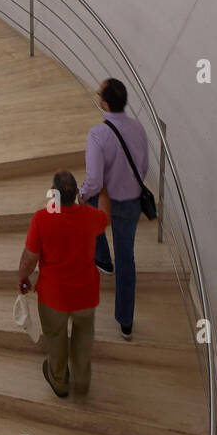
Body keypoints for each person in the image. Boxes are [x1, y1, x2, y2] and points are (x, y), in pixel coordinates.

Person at [17, 170, 109, 399]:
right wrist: (105, 190)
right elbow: (106, 217)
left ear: (53, 195)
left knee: (56, 338)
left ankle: (59, 382)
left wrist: (23, 277)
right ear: (77, 193)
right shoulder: (91, 217)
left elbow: (30, 258)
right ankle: (82, 380)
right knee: (84, 337)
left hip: (53, 298)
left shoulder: (41, 218)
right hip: (86, 295)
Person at [78, 77, 150, 340]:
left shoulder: (98, 135)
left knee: (88, 209)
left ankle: (102, 260)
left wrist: (82, 194)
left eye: (99, 94)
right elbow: (143, 167)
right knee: (127, 258)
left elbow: (95, 181)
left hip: (106, 199)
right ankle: (126, 321)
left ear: (105, 103)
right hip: (131, 203)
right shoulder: (139, 129)